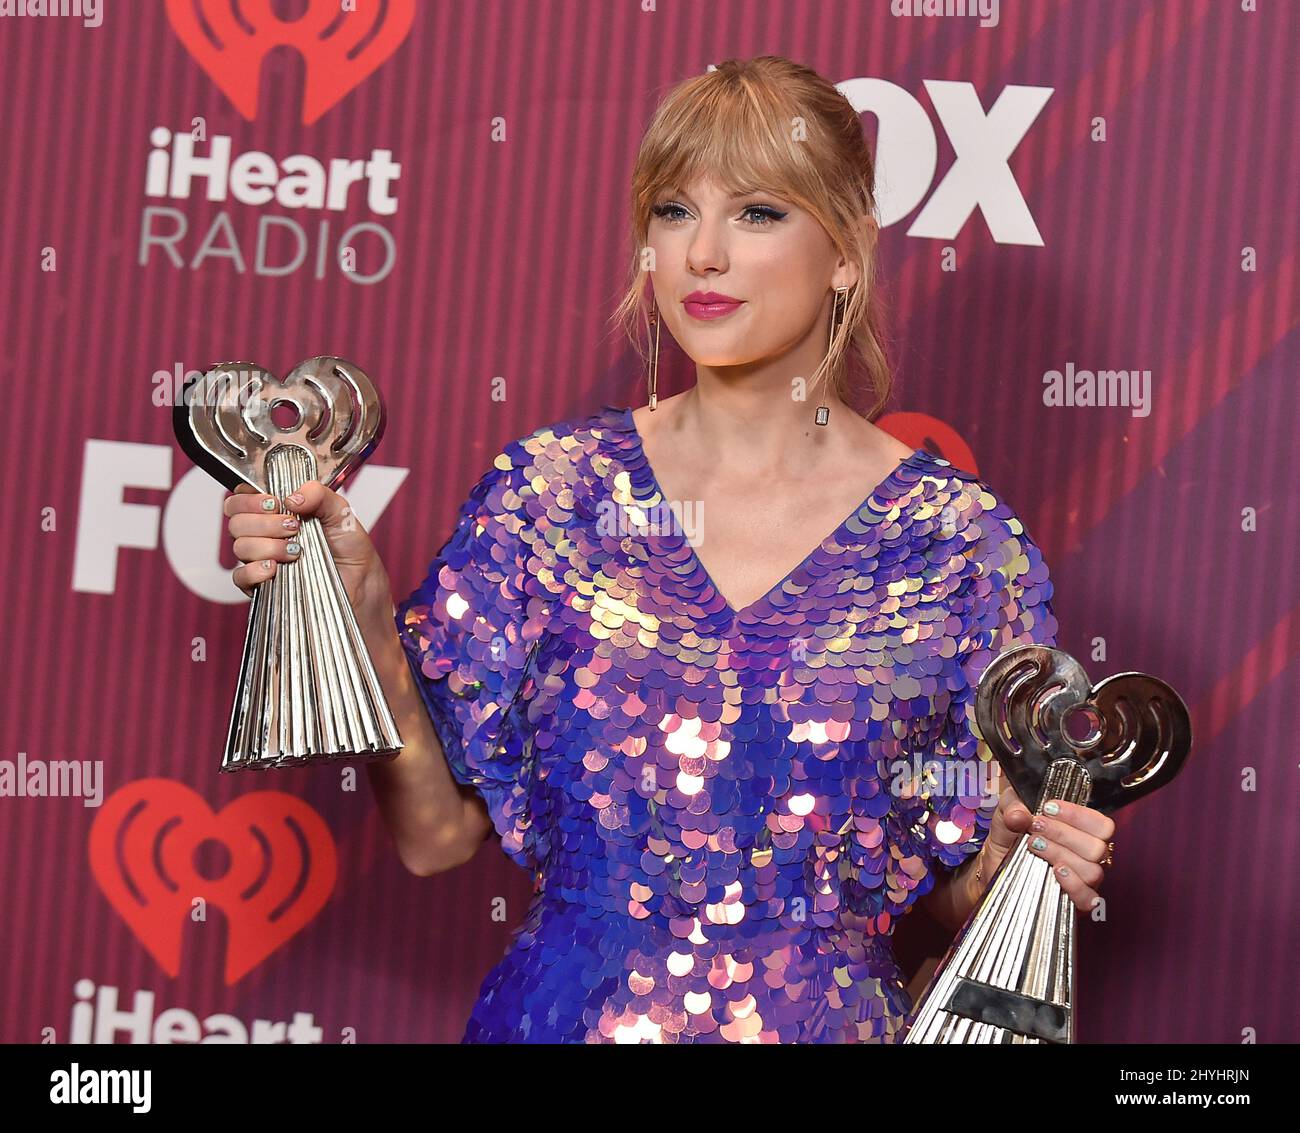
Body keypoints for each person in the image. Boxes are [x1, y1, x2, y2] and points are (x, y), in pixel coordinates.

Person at [223, 56, 1116, 1043]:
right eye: (673, 211)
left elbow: (954, 887)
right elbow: (434, 836)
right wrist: (356, 603)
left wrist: (1025, 866)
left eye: (758, 213)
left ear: (848, 250)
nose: (704, 254)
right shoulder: (547, 499)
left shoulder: (958, 549)